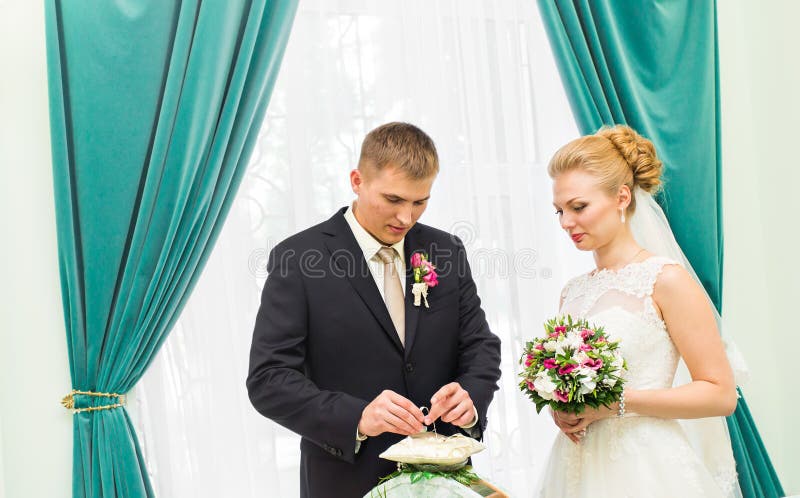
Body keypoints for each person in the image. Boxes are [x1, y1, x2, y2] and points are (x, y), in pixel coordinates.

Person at [246, 122, 502, 498]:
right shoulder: (297, 259)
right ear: (357, 181)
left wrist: (470, 398)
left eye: (420, 202)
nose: (406, 218)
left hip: (445, 481)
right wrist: (359, 417)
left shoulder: (445, 249)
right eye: (393, 199)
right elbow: (268, 379)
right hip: (345, 482)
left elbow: (480, 345)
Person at [538, 125, 741, 497]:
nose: (566, 222)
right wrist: (562, 408)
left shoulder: (665, 280)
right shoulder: (572, 292)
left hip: (646, 469)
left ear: (621, 197)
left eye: (578, 207)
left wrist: (615, 404)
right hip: (576, 469)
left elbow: (720, 394)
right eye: (560, 211)